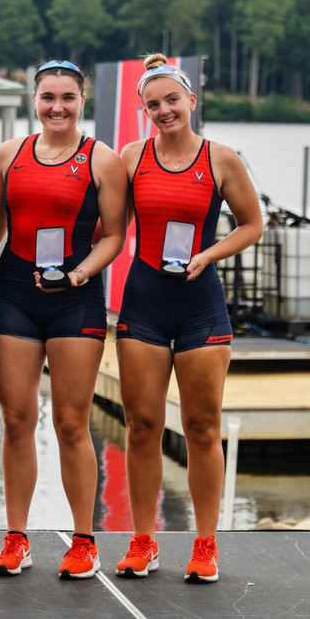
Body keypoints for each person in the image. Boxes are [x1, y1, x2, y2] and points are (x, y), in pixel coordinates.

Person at [111, 53, 263, 584]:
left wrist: (208, 255)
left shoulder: (221, 159)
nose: (164, 111)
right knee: (142, 427)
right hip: (144, 304)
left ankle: (204, 545)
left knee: (202, 428)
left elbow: (251, 225)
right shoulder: (131, 158)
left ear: (191, 100)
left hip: (201, 302)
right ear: (144, 111)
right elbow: (108, 228)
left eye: (172, 100)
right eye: (153, 105)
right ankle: (143, 540)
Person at [0, 59, 126, 579]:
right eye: (48, 97)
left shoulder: (102, 160)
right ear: (34, 100)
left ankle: (84, 539)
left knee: (71, 422)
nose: (57, 107)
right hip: (16, 295)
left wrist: (80, 274)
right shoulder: (9, 155)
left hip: (74, 297)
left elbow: (114, 234)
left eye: (67, 98)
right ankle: (16, 537)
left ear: (82, 101)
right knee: (18, 419)